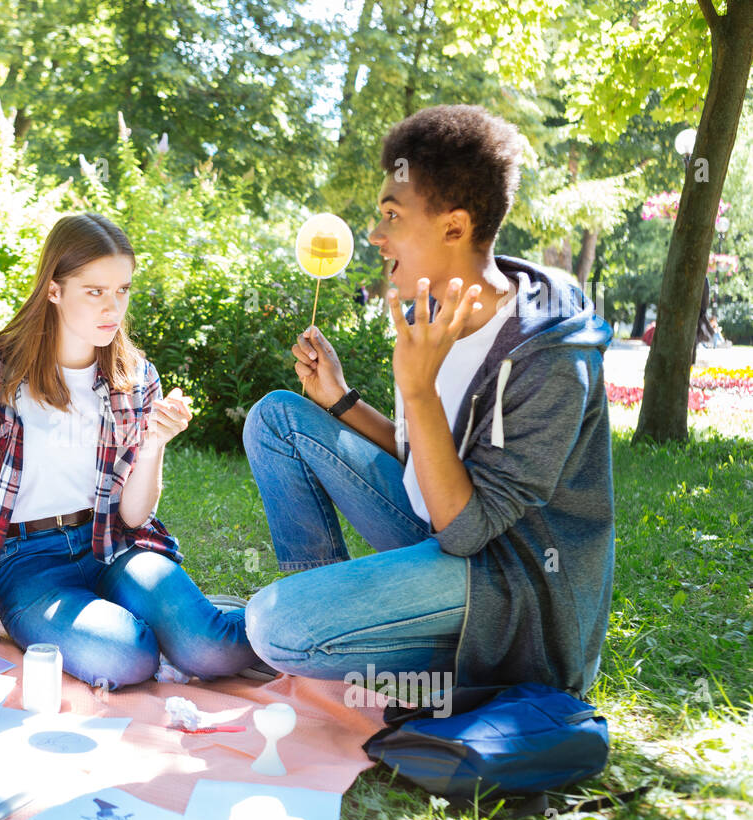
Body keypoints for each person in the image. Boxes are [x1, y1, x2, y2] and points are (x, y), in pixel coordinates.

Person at [242, 105, 614, 698]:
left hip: (509, 586)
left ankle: (411, 655)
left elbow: (467, 529)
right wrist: (341, 401)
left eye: (392, 214)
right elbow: (425, 456)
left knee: (271, 626)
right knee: (276, 419)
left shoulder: (551, 359)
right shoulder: (425, 310)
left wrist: (418, 386)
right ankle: (340, 619)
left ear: (454, 227)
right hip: (432, 531)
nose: (374, 233)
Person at [0, 213, 260, 689]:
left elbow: (133, 516)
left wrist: (153, 445)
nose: (113, 307)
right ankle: (171, 619)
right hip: (29, 564)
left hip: (112, 544)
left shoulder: (135, 375)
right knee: (126, 658)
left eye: (122, 291)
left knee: (208, 650)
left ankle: (280, 617)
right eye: (95, 291)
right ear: (53, 289)